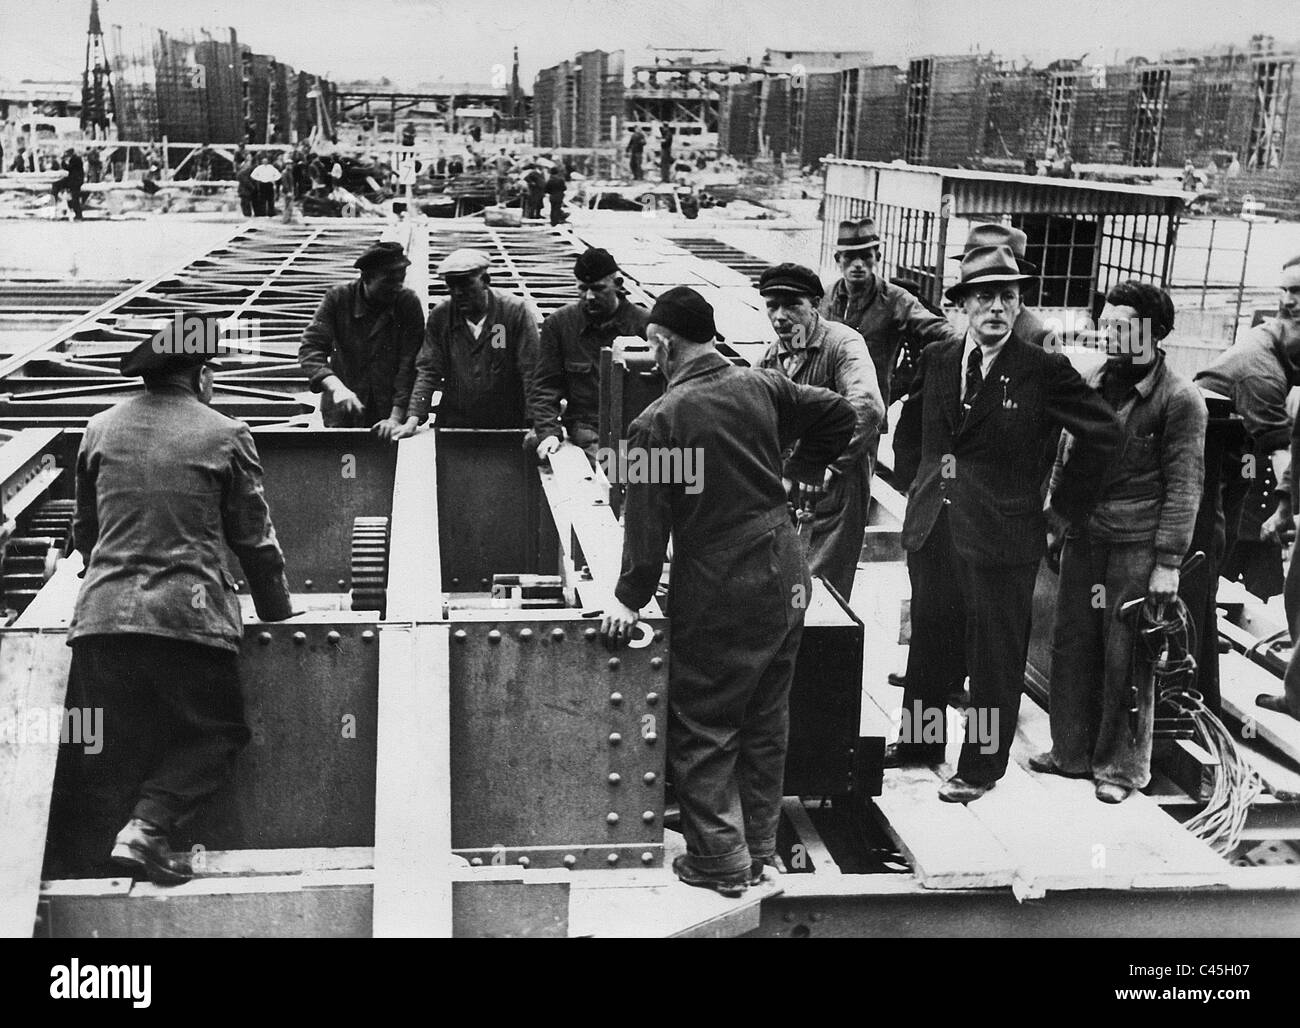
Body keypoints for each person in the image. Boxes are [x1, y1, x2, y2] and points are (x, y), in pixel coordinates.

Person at [600, 285, 856, 895]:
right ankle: (762, 849)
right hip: (788, 574)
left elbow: (646, 526)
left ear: (662, 344)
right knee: (766, 720)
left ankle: (720, 861)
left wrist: (628, 598)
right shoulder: (762, 384)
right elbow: (841, 415)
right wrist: (801, 471)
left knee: (706, 724)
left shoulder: (656, 422)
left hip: (723, 587)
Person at [48, 327, 294, 884]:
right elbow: (252, 536)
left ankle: (95, 867)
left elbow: (83, 530)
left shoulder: (99, 427)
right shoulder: (226, 432)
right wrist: (276, 608)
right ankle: (147, 832)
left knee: (107, 740)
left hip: (102, 622)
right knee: (215, 731)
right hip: (187, 618)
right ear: (199, 375)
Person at [890, 242, 1121, 803]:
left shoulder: (1043, 370)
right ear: (964, 304)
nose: (996, 308)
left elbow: (1106, 435)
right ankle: (922, 744)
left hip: (1004, 536)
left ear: (1019, 307)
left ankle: (982, 766)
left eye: (1008, 298)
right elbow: (915, 427)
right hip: (935, 528)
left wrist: (1061, 511)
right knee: (931, 641)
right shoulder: (942, 356)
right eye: (985, 297)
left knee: (994, 658)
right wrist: (918, 486)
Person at [1034, 282, 1206, 803]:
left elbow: (1185, 485)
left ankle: (1121, 769)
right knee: (1072, 643)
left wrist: (1168, 564)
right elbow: (1066, 455)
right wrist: (1056, 521)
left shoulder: (1179, 400)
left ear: (1154, 332)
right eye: (1105, 321)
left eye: (1122, 323)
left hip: (1135, 544)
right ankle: (1070, 752)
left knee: (1127, 655)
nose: (1108, 332)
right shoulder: (1091, 380)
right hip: (1085, 534)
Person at [1189, 254, 1300, 713]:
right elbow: (1280, 446)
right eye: (1289, 294)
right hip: (1211, 460)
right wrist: (1285, 510)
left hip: (1231, 457)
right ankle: (1195, 641)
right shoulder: (1263, 369)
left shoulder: (1274, 346)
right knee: (1212, 544)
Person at [758, 262, 885, 601]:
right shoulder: (771, 358)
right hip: (791, 487)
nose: (780, 316)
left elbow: (868, 407)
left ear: (815, 304)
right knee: (786, 587)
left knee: (822, 593)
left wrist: (826, 466)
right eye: (772, 305)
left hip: (836, 487)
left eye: (792, 304)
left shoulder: (843, 344)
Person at [532, 247, 650, 461]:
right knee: (613, 469)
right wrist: (549, 433)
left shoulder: (646, 325)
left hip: (638, 429)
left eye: (598, 288)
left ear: (618, 284)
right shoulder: (559, 325)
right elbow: (545, 387)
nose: (589, 297)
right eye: (582, 288)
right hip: (586, 429)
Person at [298, 242, 424, 440]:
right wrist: (336, 388)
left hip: (389, 409)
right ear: (366, 278)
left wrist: (395, 418)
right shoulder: (338, 299)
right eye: (388, 281)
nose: (397, 287)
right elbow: (311, 348)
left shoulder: (407, 303)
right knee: (344, 465)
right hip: (343, 412)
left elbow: (410, 364)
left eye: (401, 279)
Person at [406, 249, 539, 430]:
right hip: (456, 421)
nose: (458, 292)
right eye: (451, 286)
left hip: (507, 422)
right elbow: (429, 369)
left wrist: (536, 423)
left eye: (465, 285)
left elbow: (531, 369)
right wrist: (414, 417)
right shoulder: (442, 315)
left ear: (485, 282)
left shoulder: (514, 312)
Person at [51, 148, 85, 221]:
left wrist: (62, 161)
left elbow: (68, 168)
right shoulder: (76, 158)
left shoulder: (76, 159)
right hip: (74, 180)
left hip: (75, 181)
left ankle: (78, 215)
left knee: (75, 198)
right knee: (75, 198)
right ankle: (78, 215)